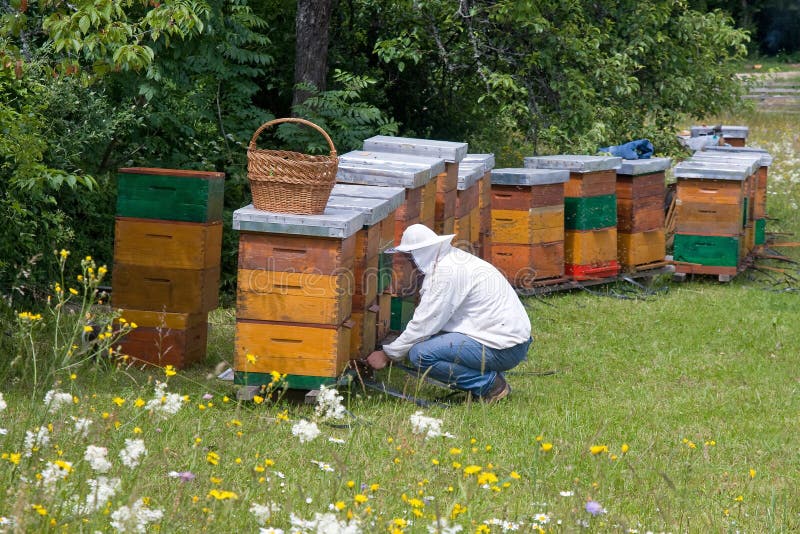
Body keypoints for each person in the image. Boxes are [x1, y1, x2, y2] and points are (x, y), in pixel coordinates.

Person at [366, 224, 532, 402]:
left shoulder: (445, 274)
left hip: (504, 348)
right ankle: (484, 380)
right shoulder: (453, 260)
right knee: (428, 342)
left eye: (409, 257)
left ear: (419, 254)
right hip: (507, 340)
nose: (409, 263)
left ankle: (491, 386)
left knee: (421, 354)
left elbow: (424, 325)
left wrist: (387, 354)